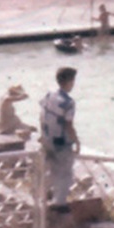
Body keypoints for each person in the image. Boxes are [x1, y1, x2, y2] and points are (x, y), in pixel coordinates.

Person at [38, 67, 80, 211]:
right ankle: (59, 203)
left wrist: (43, 133)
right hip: (61, 142)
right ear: (69, 81)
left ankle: (41, 197)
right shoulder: (69, 102)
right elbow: (69, 125)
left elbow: (42, 114)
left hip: (47, 138)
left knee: (50, 169)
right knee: (65, 172)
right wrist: (77, 141)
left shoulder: (49, 95)